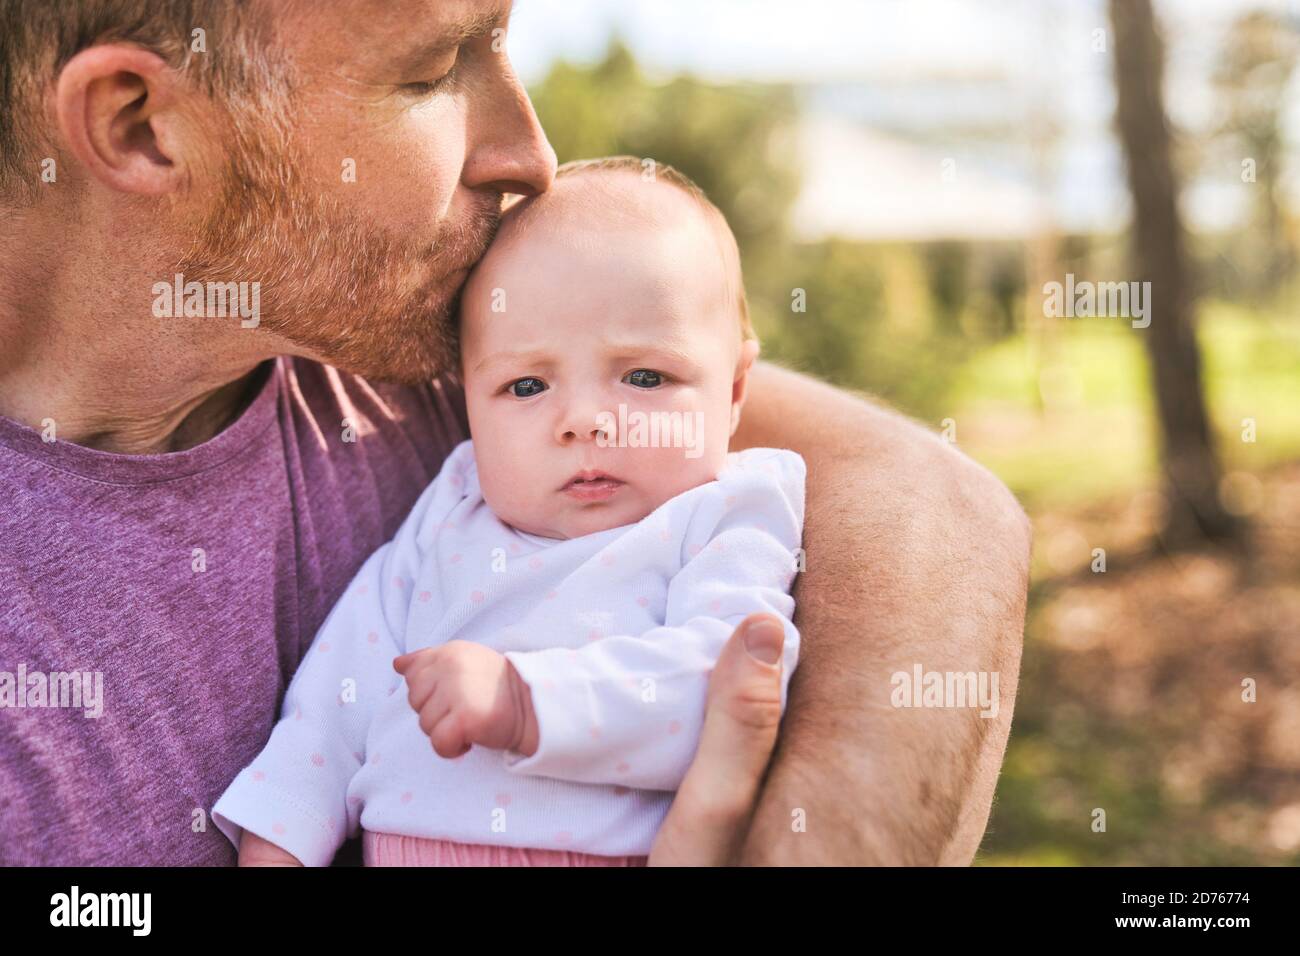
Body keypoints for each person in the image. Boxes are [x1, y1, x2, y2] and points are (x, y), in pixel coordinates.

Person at [0, 0, 1030, 866]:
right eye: (436, 69)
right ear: (142, 125)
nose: (530, 157)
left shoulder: (428, 340)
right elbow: (331, 716)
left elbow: (944, 507)